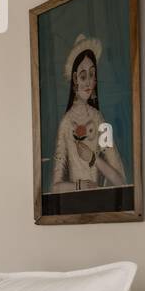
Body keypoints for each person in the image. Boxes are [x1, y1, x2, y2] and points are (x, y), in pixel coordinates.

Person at [51, 34, 126, 192]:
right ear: (75, 79)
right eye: (83, 76)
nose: (88, 82)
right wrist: (78, 186)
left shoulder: (98, 119)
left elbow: (120, 180)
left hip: (99, 201)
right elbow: (55, 187)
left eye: (91, 75)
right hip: (73, 202)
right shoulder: (66, 123)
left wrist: (93, 159)